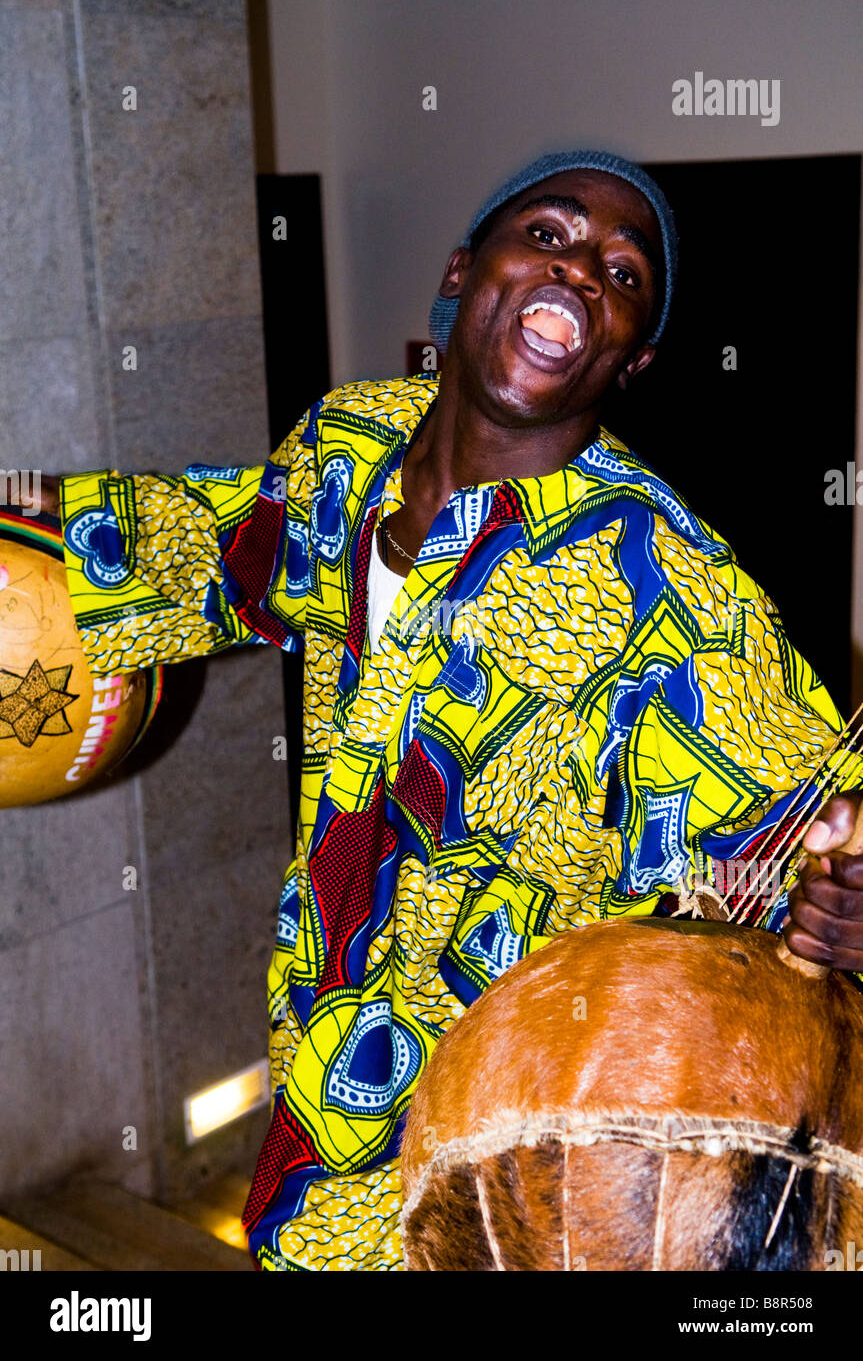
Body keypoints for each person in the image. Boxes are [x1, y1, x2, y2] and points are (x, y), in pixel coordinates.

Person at [31, 150, 863, 1270]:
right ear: (465, 270)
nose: (582, 274)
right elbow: (212, 541)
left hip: (501, 1159)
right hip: (319, 1090)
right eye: (554, 235)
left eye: (622, 275)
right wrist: (23, 511)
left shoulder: (668, 581)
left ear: (631, 359)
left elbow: (799, 826)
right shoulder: (354, 443)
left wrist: (838, 899)